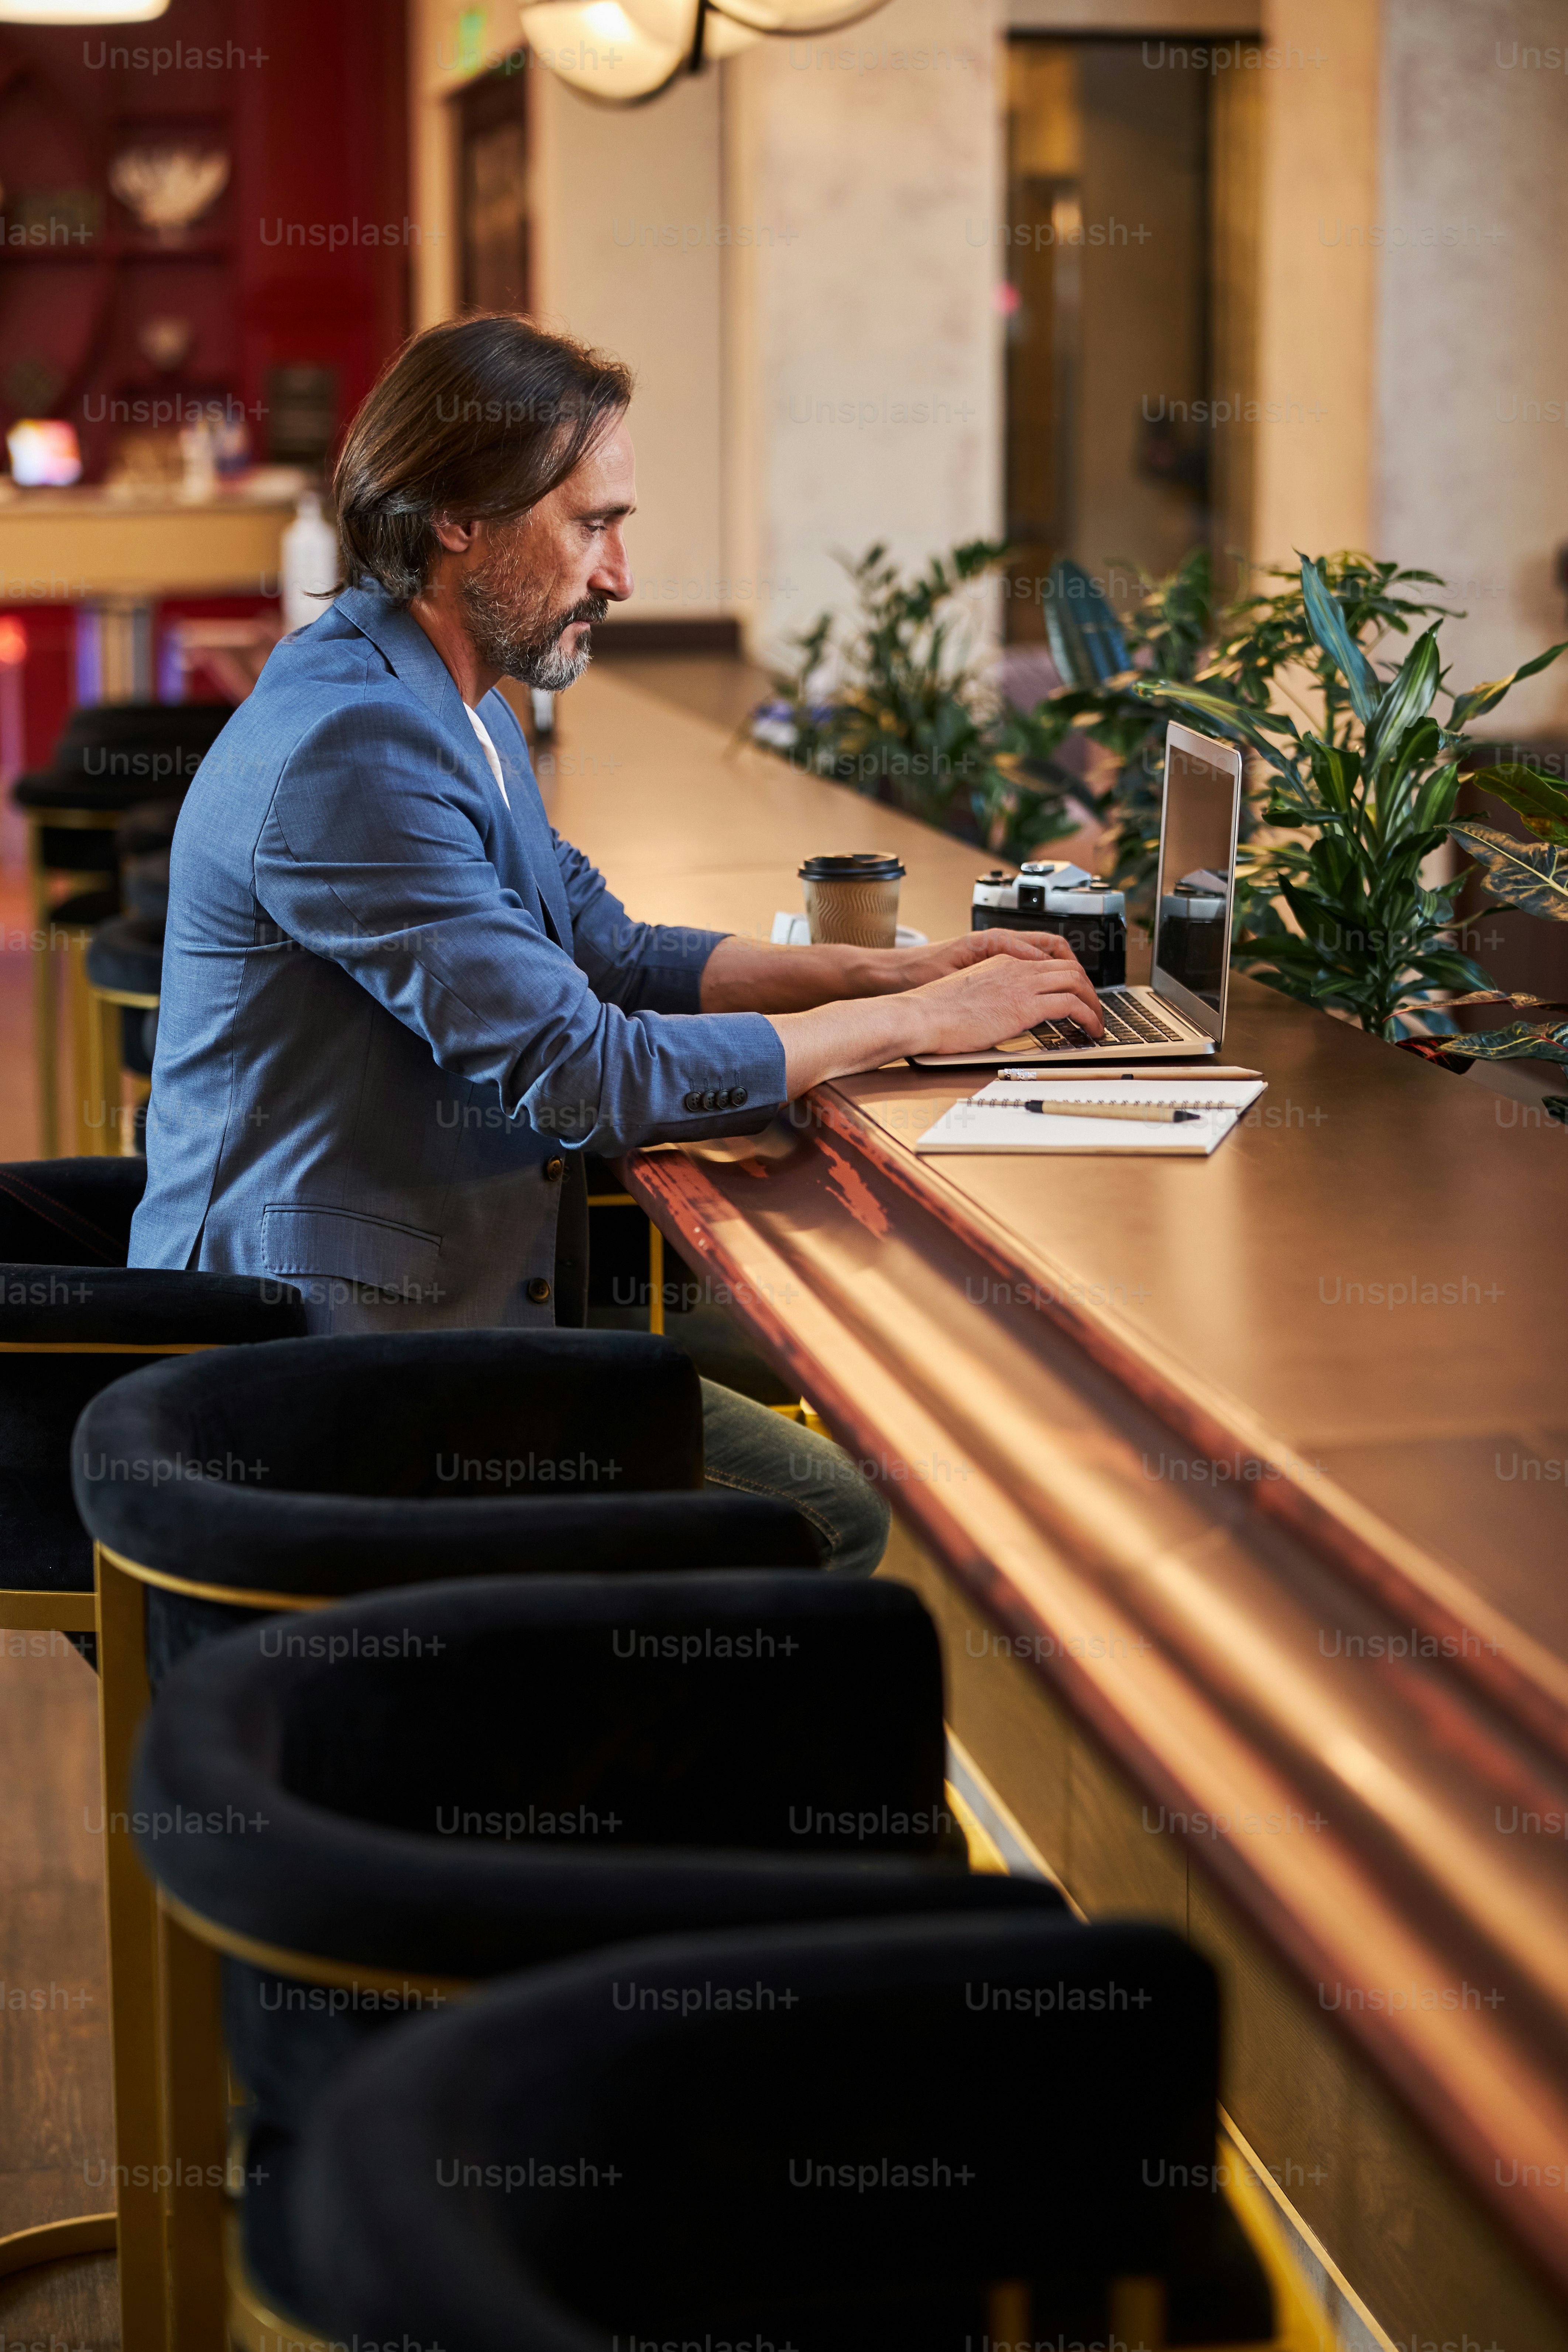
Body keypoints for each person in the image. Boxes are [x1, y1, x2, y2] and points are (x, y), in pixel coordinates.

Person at [129, 315, 1104, 1577]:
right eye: (592, 524)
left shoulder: (448, 697)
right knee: (830, 1512)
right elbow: (587, 1075)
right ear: (457, 518)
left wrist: (889, 972)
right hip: (323, 1356)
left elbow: (608, 947)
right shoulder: (357, 744)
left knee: (834, 1351)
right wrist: (916, 1029)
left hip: (446, 1268)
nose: (623, 574)